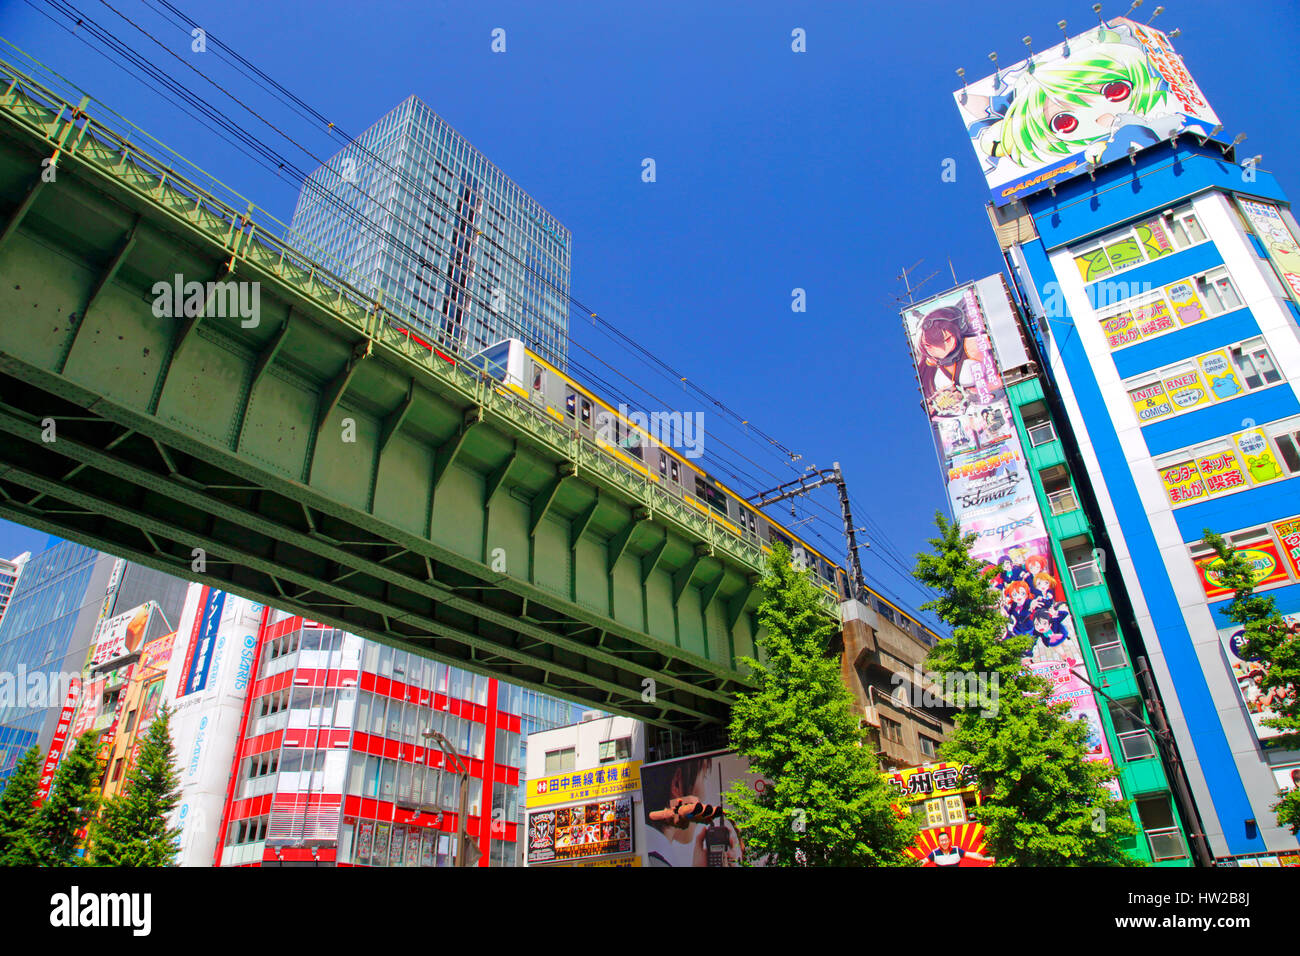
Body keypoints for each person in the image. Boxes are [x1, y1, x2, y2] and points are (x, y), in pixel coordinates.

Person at [923, 829, 991, 867]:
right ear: (938, 842)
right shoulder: (935, 853)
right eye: (942, 841)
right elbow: (925, 861)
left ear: (949, 840)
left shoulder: (956, 850)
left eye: (946, 840)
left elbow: (972, 855)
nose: (944, 843)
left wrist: (988, 859)